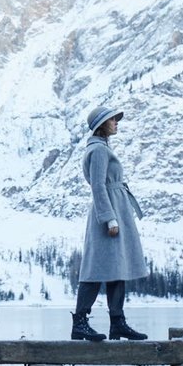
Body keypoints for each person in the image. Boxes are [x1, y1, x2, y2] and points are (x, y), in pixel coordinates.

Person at [71, 106, 149, 342]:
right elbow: (98, 185)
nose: (116, 122)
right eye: (112, 119)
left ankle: (118, 323)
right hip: (108, 213)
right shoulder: (99, 151)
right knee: (96, 269)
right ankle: (81, 323)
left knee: (117, 268)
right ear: (101, 124)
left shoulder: (101, 148)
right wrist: (109, 218)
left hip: (115, 209)